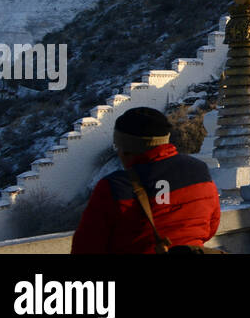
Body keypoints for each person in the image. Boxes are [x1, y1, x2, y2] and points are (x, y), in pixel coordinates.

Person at [71, 107, 221, 254]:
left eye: (118, 146)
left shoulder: (115, 187)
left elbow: (85, 248)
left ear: (126, 148)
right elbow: (211, 227)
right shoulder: (199, 170)